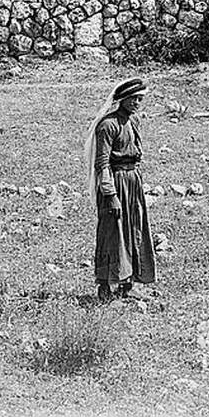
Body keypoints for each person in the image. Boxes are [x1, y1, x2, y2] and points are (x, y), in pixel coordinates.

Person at [83, 77, 157, 302]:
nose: (136, 103)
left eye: (140, 99)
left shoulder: (133, 121)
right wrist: (110, 195)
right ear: (122, 99)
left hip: (133, 181)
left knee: (134, 228)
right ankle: (105, 287)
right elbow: (102, 164)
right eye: (133, 99)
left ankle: (127, 283)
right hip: (115, 183)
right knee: (112, 233)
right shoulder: (108, 125)